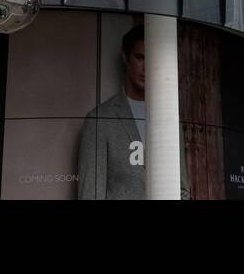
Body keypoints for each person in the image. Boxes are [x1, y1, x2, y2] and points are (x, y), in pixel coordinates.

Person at [77, 23, 188, 199]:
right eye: (140, 57)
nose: (146, 68)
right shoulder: (100, 119)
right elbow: (90, 194)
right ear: (125, 57)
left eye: (152, 60)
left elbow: (181, 189)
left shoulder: (170, 119)